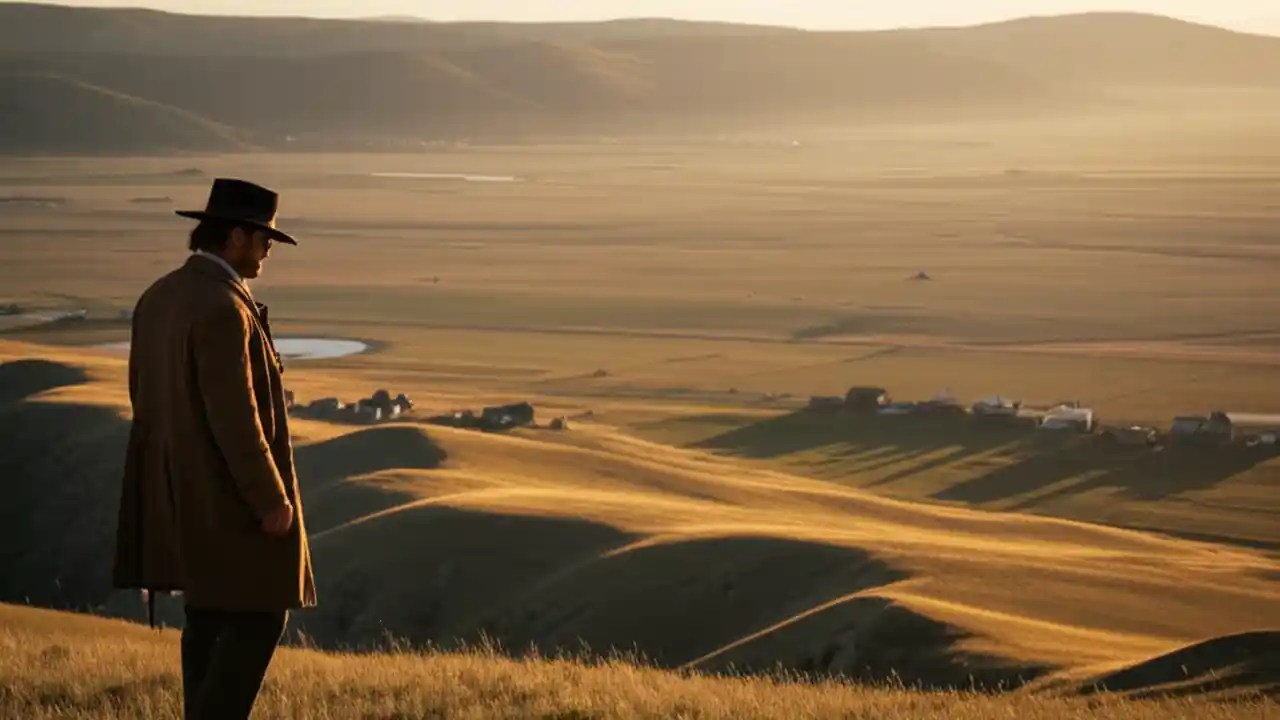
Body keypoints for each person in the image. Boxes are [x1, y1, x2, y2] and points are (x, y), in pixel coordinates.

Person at [113, 178, 317, 720]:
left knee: (208, 613)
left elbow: (143, 394)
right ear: (235, 237)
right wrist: (268, 497)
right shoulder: (224, 307)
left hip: (178, 489)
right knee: (259, 613)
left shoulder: (161, 296)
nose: (268, 249)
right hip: (224, 496)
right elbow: (236, 415)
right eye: (263, 238)